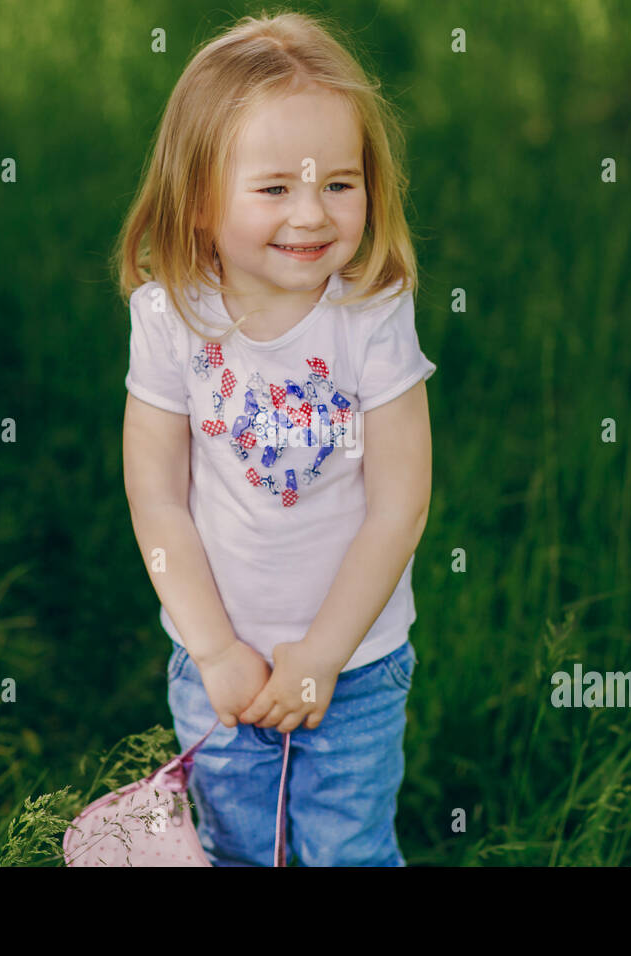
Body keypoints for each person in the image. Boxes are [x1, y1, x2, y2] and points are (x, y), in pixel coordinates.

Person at [115, 11, 435, 866]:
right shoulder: (173, 318)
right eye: (274, 189)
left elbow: (399, 507)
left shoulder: (369, 319)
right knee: (235, 848)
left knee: (348, 852)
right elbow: (157, 496)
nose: (311, 214)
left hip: (357, 665)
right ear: (199, 199)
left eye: (338, 183)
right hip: (218, 661)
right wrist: (215, 647)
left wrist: (323, 656)